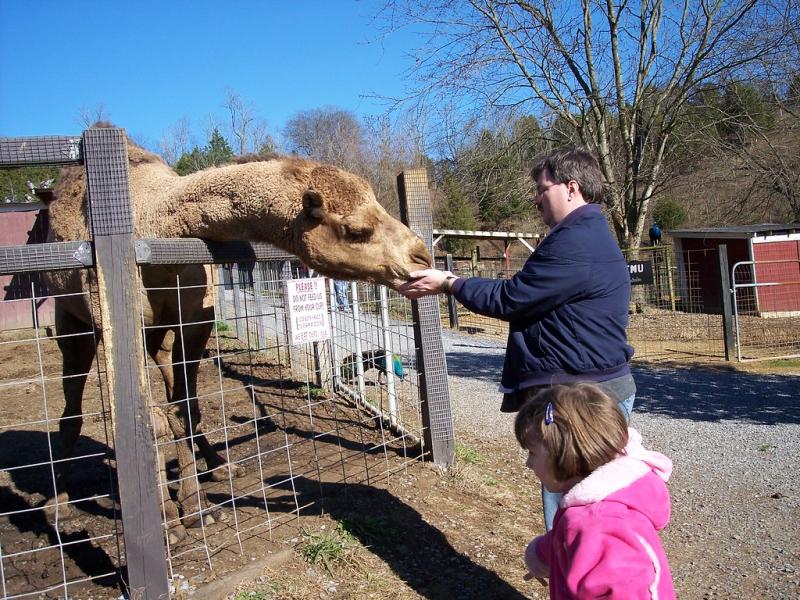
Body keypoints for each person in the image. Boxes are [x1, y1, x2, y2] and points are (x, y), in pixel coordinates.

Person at [399, 146, 635, 530]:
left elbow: (511, 298)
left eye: (543, 188)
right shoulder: (584, 234)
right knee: (590, 512)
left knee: (579, 519)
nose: (536, 197)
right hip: (592, 389)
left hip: (582, 401)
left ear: (571, 188)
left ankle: (575, 583)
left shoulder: (575, 242)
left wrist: (449, 282)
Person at [515, 384, 675, 599]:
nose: (528, 463)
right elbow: (569, 539)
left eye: (533, 453)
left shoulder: (601, 524)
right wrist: (541, 555)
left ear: (564, 451)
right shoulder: (591, 502)